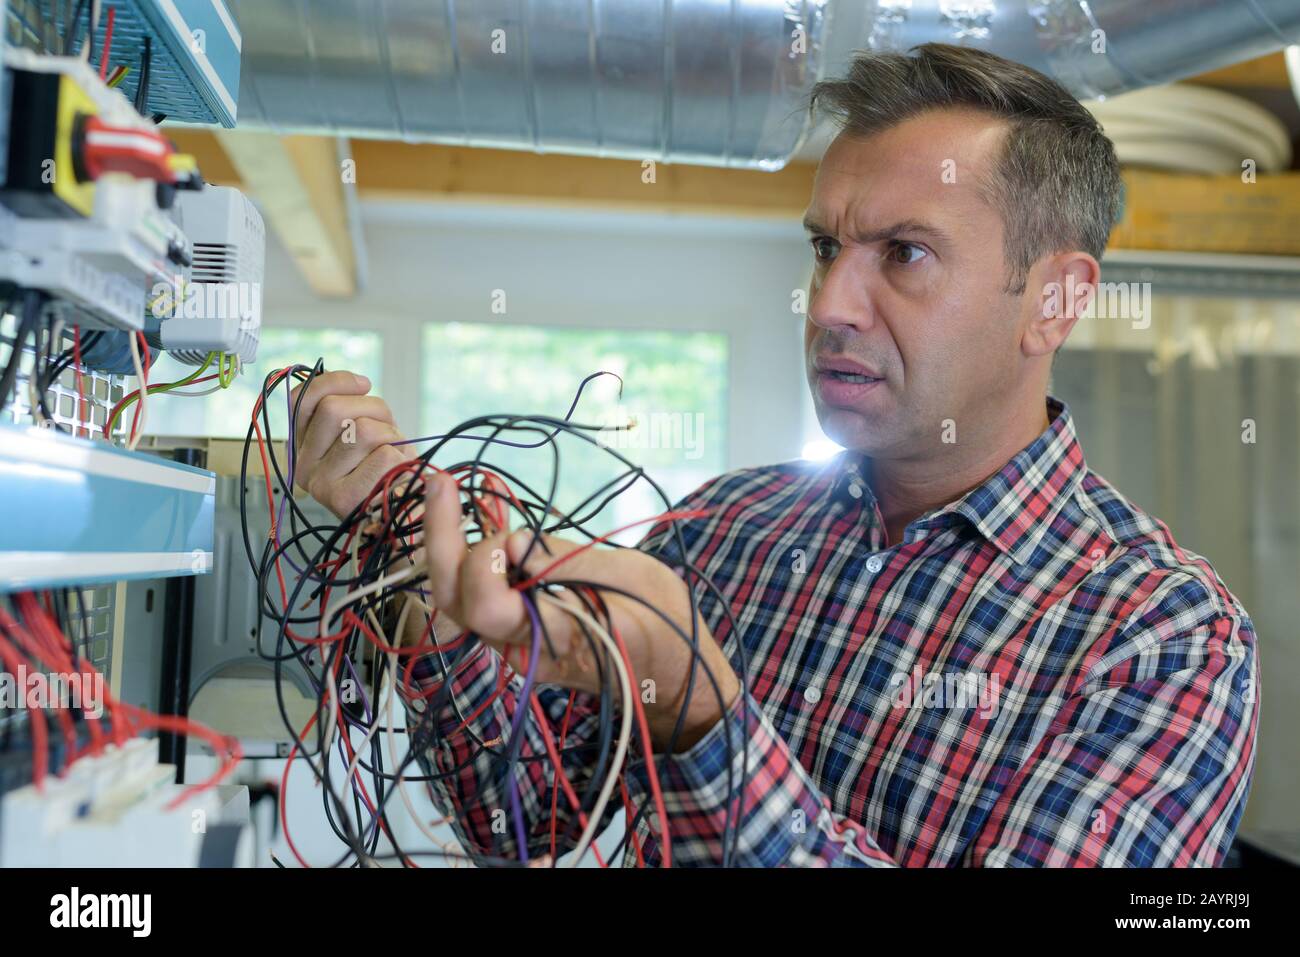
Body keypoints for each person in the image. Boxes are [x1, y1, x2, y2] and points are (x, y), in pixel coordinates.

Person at [288, 44, 1258, 867]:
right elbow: (524, 823)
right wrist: (421, 565)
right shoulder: (720, 529)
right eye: (823, 250)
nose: (831, 305)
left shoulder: (1160, 638)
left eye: (904, 254)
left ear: (1054, 299)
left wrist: (703, 710)